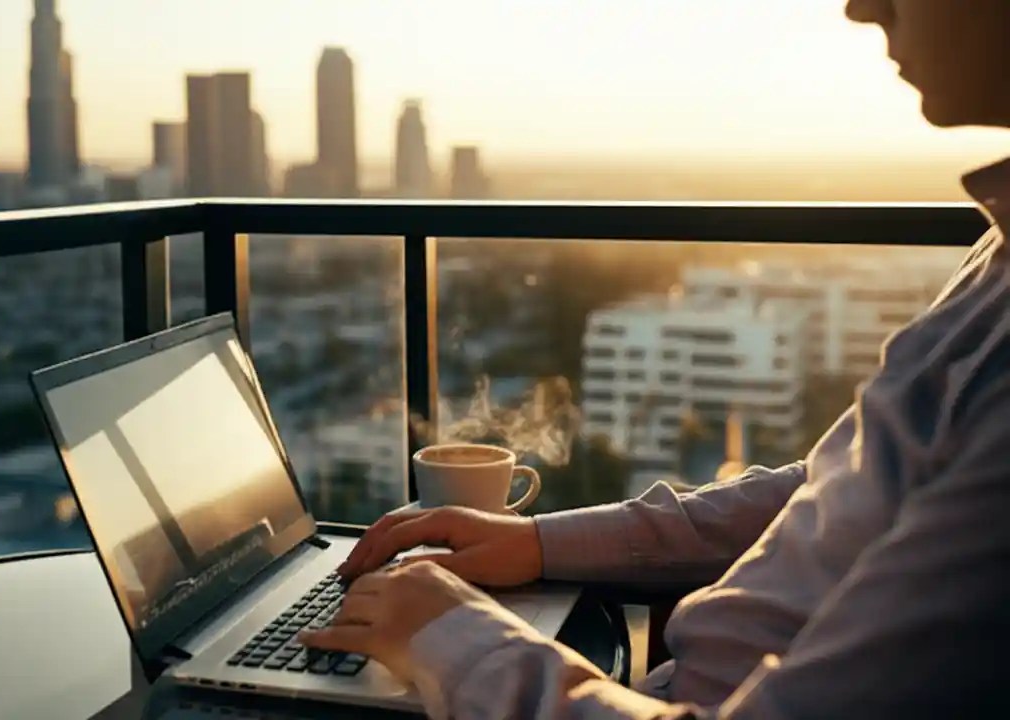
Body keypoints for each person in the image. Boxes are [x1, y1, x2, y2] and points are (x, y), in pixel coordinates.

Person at [299, 1, 1010, 717]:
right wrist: (538, 543)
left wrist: (454, 637)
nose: (861, 8)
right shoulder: (996, 257)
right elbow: (835, 491)